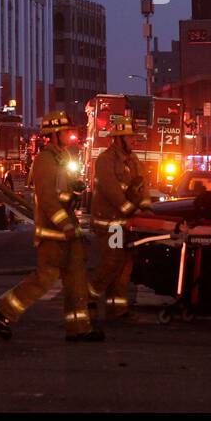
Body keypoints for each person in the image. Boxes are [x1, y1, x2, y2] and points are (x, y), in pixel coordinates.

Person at [0, 111, 103, 342]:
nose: (71, 136)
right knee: (44, 279)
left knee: (76, 280)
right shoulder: (44, 160)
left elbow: (62, 194)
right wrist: (65, 225)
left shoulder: (61, 158)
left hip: (69, 232)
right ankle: (4, 311)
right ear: (54, 135)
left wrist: (75, 191)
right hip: (54, 233)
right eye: (66, 132)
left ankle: (79, 328)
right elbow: (48, 198)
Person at [87, 115, 151, 322]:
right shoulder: (105, 160)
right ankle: (88, 298)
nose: (133, 140)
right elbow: (111, 190)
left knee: (125, 264)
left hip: (126, 224)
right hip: (111, 223)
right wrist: (130, 209)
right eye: (129, 137)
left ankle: (117, 309)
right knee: (112, 261)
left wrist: (146, 208)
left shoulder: (133, 161)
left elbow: (143, 187)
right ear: (118, 139)